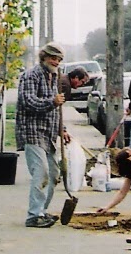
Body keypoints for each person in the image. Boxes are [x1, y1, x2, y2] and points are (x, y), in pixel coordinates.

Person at [15, 42, 90, 228]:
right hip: (32, 130)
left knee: (54, 173)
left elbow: (56, 111)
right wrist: (52, 101)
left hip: (48, 133)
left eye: (59, 59)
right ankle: (33, 216)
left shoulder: (54, 78)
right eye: (53, 58)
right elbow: (28, 101)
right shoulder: (30, 76)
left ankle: (41, 211)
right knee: (41, 172)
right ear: (44, 57)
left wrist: (61, 130)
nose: (56, 61)